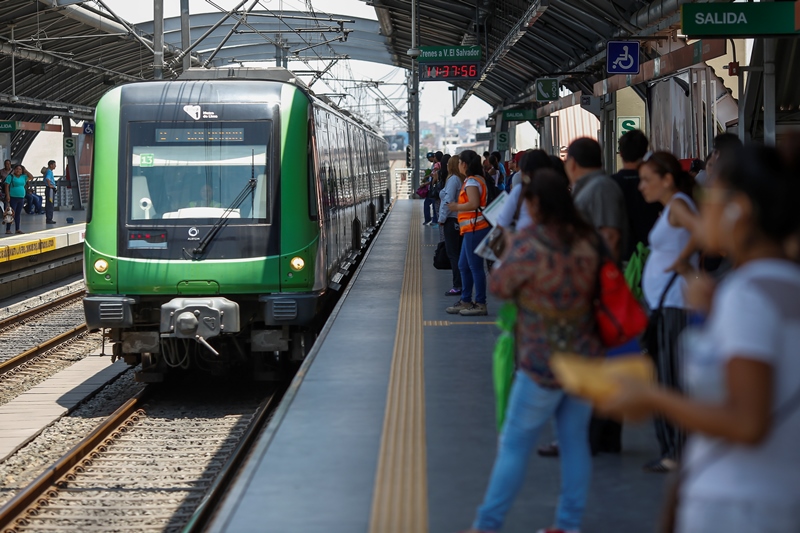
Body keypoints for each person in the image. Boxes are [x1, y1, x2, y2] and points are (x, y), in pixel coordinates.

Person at [599, 144, 800, 532]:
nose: (700, 204)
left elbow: (746, 421)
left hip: (737, 505)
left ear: (738, 209)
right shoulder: (779, 287)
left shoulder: (748, 296)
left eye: (710, 197)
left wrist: (650, 396)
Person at [464, 170, 602, 533]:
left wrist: (506, 248)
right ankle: (567, 525)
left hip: (542, 361)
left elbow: (499, 286)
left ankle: (486, 526)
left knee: (513, 445)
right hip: (585, 356)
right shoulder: (589, 240)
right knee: (575, 445)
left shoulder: (530, 244)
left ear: (536, 204)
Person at [638, 151, 699, 472]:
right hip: (667, 303)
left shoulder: (677, 205)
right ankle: (674, 449)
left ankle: (676, 452)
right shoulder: (673, 207)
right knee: (666, 375)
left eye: (647, 180)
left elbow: (703, 230)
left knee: (671, 377)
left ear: (667, 179)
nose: (641, 186)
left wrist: (682, 260)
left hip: (674, 304)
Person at [445, 150, 491, 316]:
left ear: (464, 164)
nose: (458, 165)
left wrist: (456, 207)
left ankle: (480, 303)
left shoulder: (472, 182)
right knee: (463, 265)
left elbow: (473, 203)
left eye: (459, 163)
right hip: (471, 229)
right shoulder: (476, 180)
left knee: (475, 267)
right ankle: (465, 300)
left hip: (475, 228)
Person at [612, 129, 661, 261]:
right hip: (652, 253)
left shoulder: (611, 183)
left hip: (622, 255)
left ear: (621, 154)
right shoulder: (656, 183)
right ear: (645, 152)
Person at [495, 149, 551, 232]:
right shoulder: (557, 185)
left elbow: (503, 222)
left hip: (528, 239)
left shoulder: (521, 189)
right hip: (555, 240)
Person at [438, 155, 464, 296]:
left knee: (453, 254)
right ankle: (461, 284)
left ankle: (457, 285)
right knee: (458, 254)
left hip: (452, 220)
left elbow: (448, 201)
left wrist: (442, 218)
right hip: (459, 220)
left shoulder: (453, 179)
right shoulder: (461, 179)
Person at [5, 165, 33, 234]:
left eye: (20, 169)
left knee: (18, 214)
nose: (18, 170)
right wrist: (7, 195)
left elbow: (31, 177)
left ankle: (17, 229)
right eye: (17, 169)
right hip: (13, 197)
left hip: (21, 198)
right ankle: (8, 229)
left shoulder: (23, 177)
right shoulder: (10, 177)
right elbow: (6, 186)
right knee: (11, 213)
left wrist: (25, 171)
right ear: (14, 170)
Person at [43, 159, 57, 224]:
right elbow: (47, 178)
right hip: (50, 189)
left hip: (49, 189)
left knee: (49, 203)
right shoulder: (49, 172)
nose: (55, 166)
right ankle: (49, 218)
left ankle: (49, 218)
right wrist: (50, 185)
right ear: (51, 165)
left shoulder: (49, 171)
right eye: (54, 164)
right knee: (50, 204)